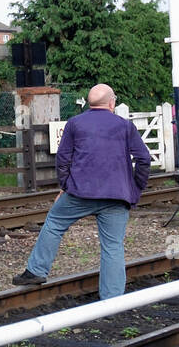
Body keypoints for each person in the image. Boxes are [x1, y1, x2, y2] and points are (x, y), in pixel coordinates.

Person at [11, 83, 150, 300]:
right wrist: (135, 188)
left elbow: (63, 159)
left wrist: (66, 186)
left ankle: (36, 271)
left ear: (88, 103)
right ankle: (112, 301)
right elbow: (143, 159)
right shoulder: (124, 126)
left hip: (80, 193)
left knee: (55, 222)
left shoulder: (75, 123)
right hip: (116, 196)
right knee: (113, 246)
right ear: (112, 102)